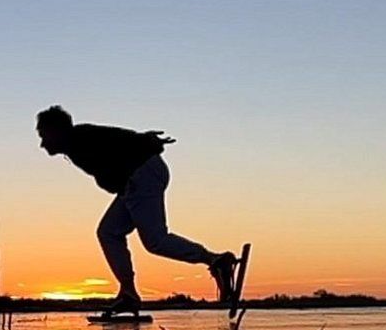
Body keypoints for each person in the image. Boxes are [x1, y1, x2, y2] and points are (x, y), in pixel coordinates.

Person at [36, 105, 236, 315]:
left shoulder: (81, 136)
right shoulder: (75, 144)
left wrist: (146, 141)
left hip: (142, 175)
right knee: (108, 231)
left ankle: (216, 261)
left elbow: (118, 137)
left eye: (43, 135)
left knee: (155, 240)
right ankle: (128, 294)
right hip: (136, 180)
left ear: (56, 131)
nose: (42, 143)